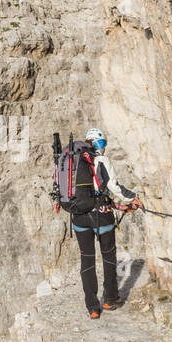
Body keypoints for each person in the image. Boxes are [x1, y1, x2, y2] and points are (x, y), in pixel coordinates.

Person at [71, 128, 143, 319]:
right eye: (102, 144)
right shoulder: (100, 160)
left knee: (87, 260)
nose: (103, 148)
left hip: (79, 217)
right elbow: (113, 187)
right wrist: (133, 198)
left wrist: (119, 206)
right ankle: (109, 299)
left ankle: (92, 308)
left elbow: (95, 193)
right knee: (108, 256)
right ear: (96, 143)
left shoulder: (72, 162)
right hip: (101, 217)